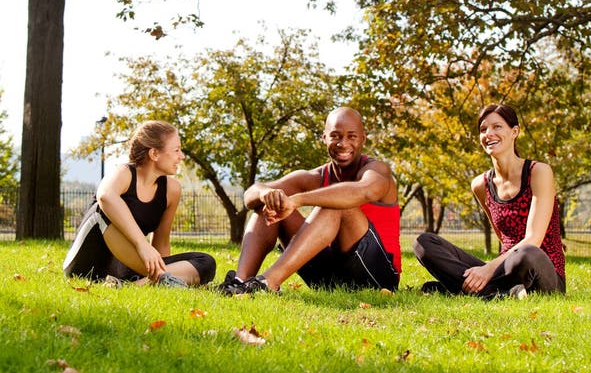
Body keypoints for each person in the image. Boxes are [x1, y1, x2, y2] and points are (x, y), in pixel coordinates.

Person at [216, 106, 401, 295]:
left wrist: (297, 200)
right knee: (269, 204)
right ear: (324, 138)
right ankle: (240, 283)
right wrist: (265, 194)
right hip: (331, 278)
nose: (343, 143)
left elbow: (362, 192)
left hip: (379, 277)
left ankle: (268, 283)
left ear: (363, 138)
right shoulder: (315, 176)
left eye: (351, 136)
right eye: (335, 136)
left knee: (337, 205)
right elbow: (250, 195)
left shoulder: (378, 171)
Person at [413, 103, 566, 299]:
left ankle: (465, 289)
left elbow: (534, 240)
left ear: (514, 132)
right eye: (483, 129)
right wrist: (488, 269)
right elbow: (504, 238)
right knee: (423, 243)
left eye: (497, 127)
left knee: (526, 252)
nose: (489, 134)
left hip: (541, 271)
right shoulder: (481, 184)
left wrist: (487, 270)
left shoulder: (539, 172)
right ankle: (500, 293)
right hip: (505, 272)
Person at [63, 120, 216, 288]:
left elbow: (162, 243)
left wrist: (162, 268)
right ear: (155, 154)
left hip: (125, 269)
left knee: (205, 262)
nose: (182, 156)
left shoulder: (171, 190)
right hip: (86, 265)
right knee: (102, 209)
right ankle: (157, 280)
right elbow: (105, 196)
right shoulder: (125, 173)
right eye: (176, 150)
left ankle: (135, 286)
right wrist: (142, 245)